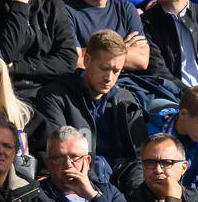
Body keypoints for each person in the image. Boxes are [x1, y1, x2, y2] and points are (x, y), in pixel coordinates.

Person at [34, 29, 146, 191]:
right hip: (75, 187)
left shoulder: (126, 101)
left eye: (116, 71)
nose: (109, 78)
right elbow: (59, 155)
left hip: (122, 189)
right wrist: (100, 193)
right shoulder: (54, 97)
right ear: (86, 60)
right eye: (104, 68)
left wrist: (135, 192)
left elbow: (138, 159)